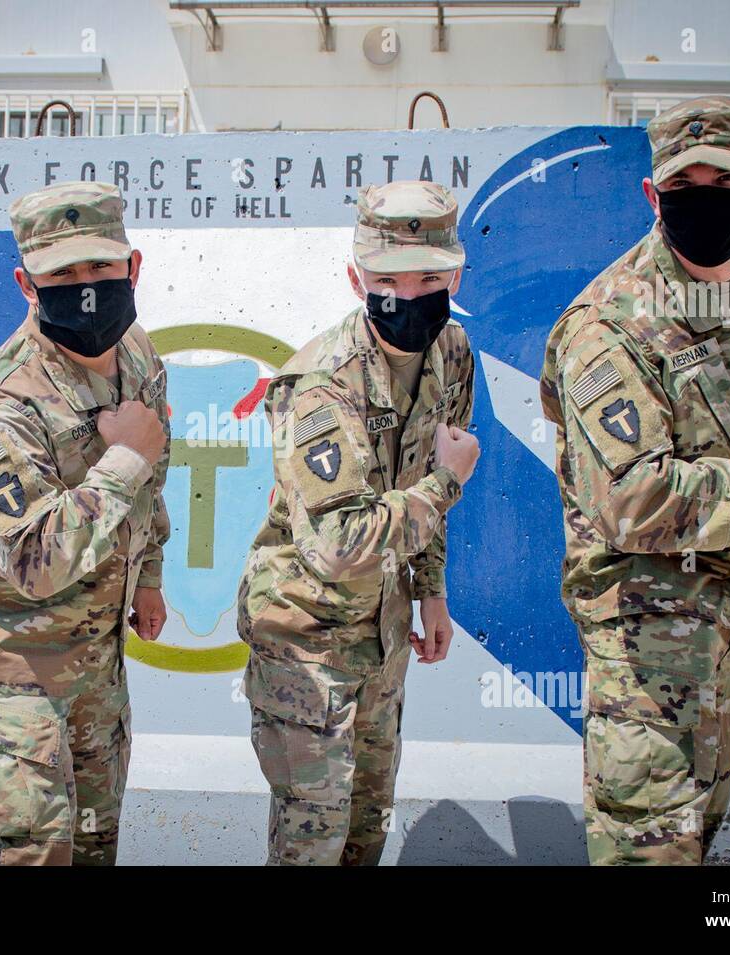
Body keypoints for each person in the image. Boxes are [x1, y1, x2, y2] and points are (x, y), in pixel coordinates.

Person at [539, 96, 730, 864]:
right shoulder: (608, 325)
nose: (704, 204)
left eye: (725, 187)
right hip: (644, 650)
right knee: (649, 854)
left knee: (698, 840)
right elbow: (633, 502)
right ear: (653, 196)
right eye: (684, 189)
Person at [236, 180, 481, 865]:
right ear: (355, 278)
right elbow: (343, 543)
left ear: (456, 275)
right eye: (388, 278)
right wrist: (447, 483)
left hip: (382, 631)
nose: (409, 292)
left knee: (366, 828)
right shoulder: (320, 385)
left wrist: (431, 590)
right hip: (306, 637)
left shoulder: (452, 352)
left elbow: (421, 477)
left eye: (430, 276)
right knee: (312, 840)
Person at [0, 181, 171, 866]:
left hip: (94, 660)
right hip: (12, 666)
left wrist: (147, 575)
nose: (86, 286)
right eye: (62, 273)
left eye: (99, 266)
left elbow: (156, 474)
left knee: (94, 843)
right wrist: (123, 456)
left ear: (133, 267)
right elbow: (35, 561)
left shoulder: (138, 358)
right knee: (36, 852)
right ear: (26, 283)